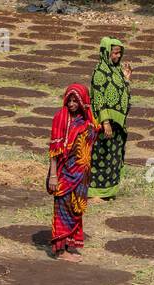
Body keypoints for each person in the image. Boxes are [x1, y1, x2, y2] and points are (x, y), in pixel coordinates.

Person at [47, 83, 99, 262]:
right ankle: (61, 251)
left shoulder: (88, 120)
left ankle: (70, 245)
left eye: (75, 100)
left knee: (76, 210)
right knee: (63, 210)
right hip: (65, 175)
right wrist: (53, 176)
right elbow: (54, 151)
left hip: (82, 175)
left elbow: (97, 133)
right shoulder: (61, 119)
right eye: (68, 100)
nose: (71, 104)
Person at [89, 37, 132, 202]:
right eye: (115, 53)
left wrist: (126, 79)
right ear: (105, 52)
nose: (118, 56)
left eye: (120, 53)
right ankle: (94, 193)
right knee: (99, 156)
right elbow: (98, 99)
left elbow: (123, 94)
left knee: (113, 157)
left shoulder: (117, 71)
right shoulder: (99, 72)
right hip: (103, 124)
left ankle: (108, 191)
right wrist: (105, 122)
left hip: (118, 124)